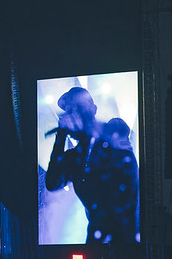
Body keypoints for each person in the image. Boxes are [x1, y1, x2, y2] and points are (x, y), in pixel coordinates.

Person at [45, 87, 138, 244]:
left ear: (93, 109)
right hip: (97, 239)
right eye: (68, 111)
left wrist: (83, 133)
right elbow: (52, 183)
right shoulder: (75, 157)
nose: (72, 115)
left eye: (77, 109)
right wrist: (60, 136)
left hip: (126, 239)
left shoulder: (113, 131)